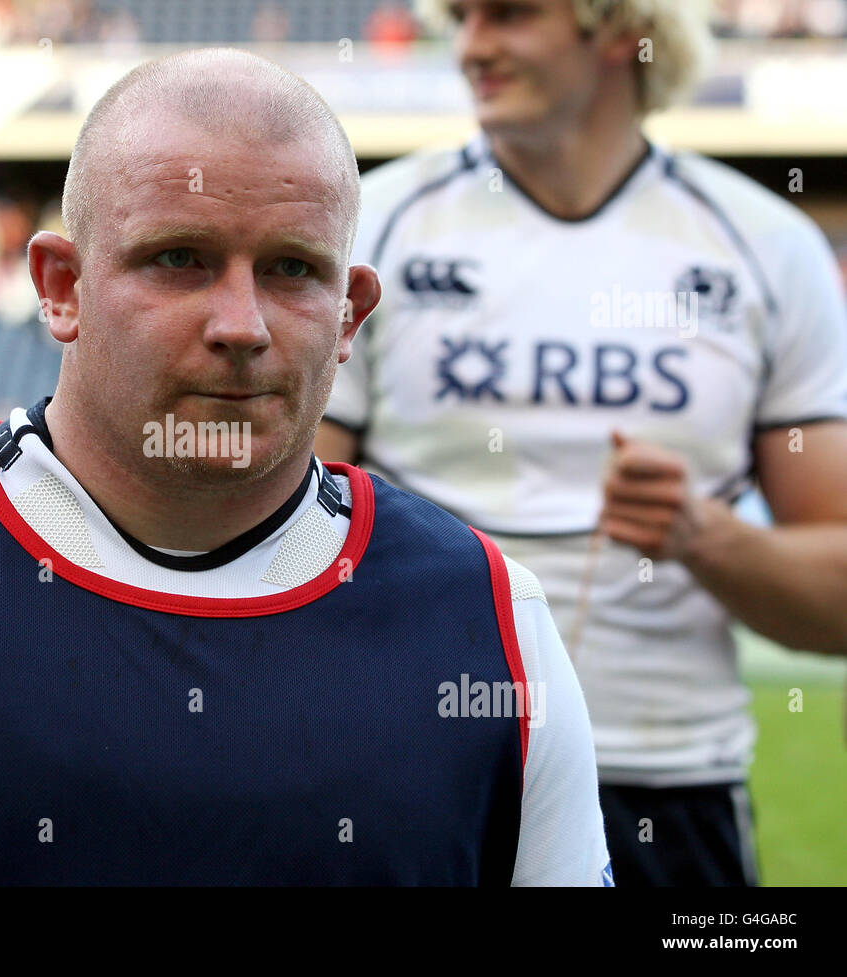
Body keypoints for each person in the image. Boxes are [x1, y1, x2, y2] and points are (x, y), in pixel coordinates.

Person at [0, 47, 609, 886]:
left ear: (350, 314)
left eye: (292, 270)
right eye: (179, 258)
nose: (241, 324)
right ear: (61, 285)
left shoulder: (491, 621)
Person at [316, 0, 847, 886]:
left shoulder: (768, 246)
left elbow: (837, 598)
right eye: (462, 16)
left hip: (667, 782)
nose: (472, 45)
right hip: (412, 761)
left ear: (621, 28)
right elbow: (283, 520)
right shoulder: (374, 225)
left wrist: (701, 535)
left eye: (509, 14)